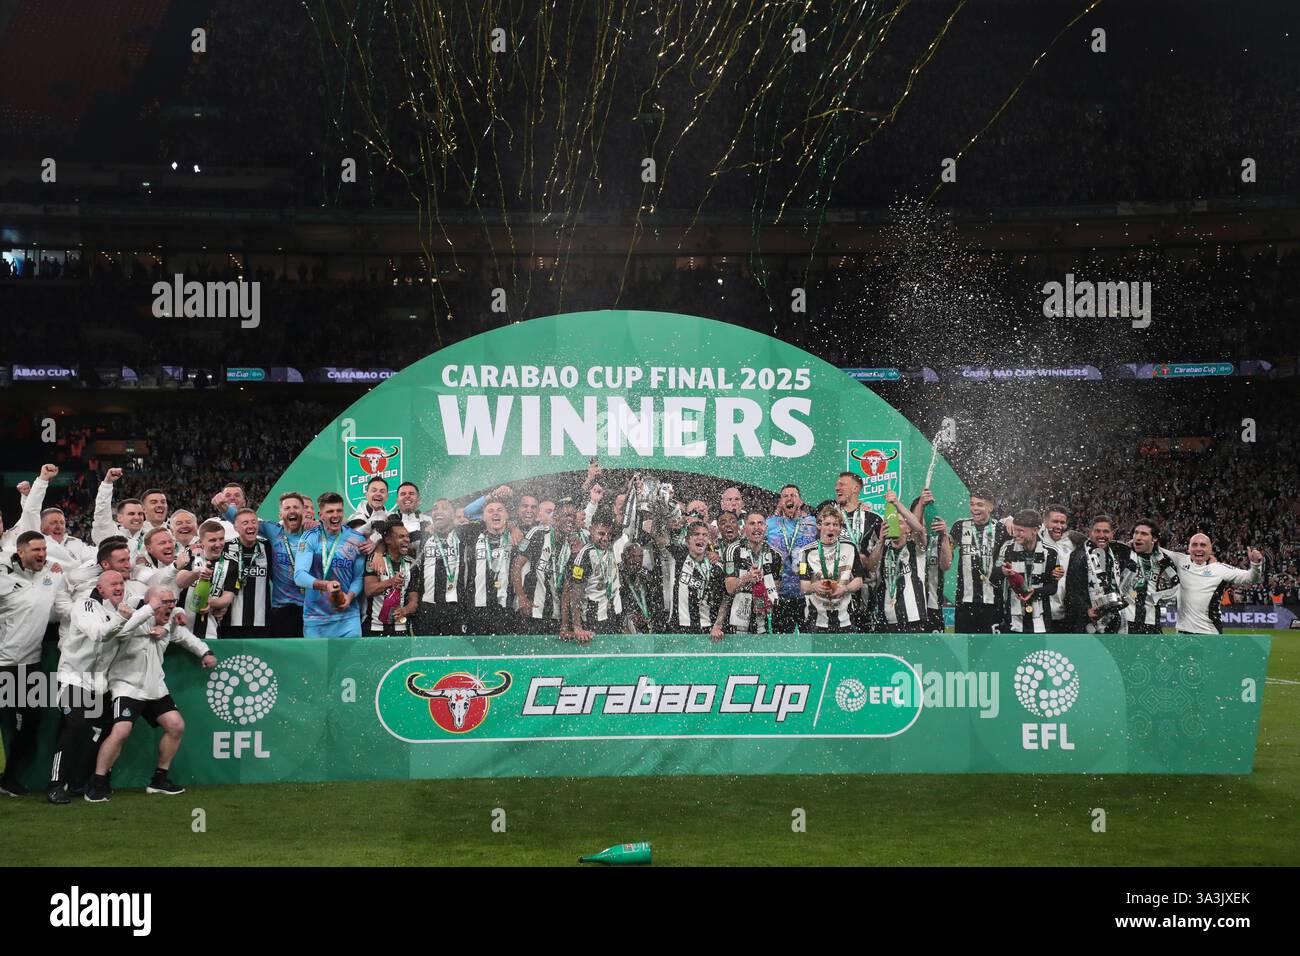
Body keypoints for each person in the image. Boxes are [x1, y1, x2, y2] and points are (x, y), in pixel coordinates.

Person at [85, 585, 216, 802]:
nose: (171, 606)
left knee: (176, 726)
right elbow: (124, 630)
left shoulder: (169, 624)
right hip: (127, 686)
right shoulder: (132, 619)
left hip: (155, 688)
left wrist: (205, 652)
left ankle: (159, 780)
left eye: (172, 602)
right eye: (165, 602)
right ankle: (98, 782)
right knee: (121, 731)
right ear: (150, 604)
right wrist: (152, 621)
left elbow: (186, 637)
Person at [46, 570, 156, 804]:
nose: (119, 587)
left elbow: (125, 631)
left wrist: (145, 613)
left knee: (101, 732)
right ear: (100, 588)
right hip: (73, 679)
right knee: (75, 724)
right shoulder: (85, 605)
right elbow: (99, 634)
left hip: (100, 684)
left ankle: (79, 782)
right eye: (113, 584)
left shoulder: (119, 609)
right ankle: (55, 784)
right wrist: (141, 612)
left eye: (121, 583)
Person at [0, 532, 62, 796]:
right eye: (36, 549)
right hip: (3, 664)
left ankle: (8, 778)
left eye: (44, 549)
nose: (42, 554)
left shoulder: (52, 576)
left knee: (30, 724)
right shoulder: (5, 580)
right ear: (20, 551)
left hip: (29, 665)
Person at [294, 492, 368, 637]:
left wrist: (350, 597)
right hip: (316, 619)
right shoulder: (310, 537)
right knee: (317, 661)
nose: (335, 515)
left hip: (348, 619)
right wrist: (325, 585)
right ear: (320, 515)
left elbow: (358, 578)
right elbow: (299, 576)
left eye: (339, 510)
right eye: (330, 511)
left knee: (351, 660)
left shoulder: (356, 538)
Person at [1160, 534, 1265, 634]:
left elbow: (1251, 578)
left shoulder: (1220, 569)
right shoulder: (1180, 560)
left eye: (1203, 545)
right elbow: (1155, 551)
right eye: (1194, 545)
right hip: (1182, 632)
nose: (1198, 548)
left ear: (1210, 549)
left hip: (1209, 632)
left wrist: (1256, 565)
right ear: (1189, 548)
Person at [949, 490, 1012, 633]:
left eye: (980, 505)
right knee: (965, 651)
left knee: (991, 649)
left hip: (992, 602)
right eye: (972, 504)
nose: (974, 509)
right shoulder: (959, 526)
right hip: (964, 601)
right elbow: (947, 554)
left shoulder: (1002, 530)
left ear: (990, 507)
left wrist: (1010, 519)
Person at [863, 492, 927, 632]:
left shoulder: (916, 549)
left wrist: (897, 504)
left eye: (900, 523)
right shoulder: (883, 548)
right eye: (891, 522)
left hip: (913, 616)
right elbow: (871, 567)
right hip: (887, 617)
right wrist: (880, 540)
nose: (895, 526)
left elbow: (920, 530)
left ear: (908, 528)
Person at [513, 500, 579, 634]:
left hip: (557, 616)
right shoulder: (538, 533)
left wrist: (565, 624)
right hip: (532, 610)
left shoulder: (574, 544)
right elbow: (516, 566)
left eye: (572, 516)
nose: (570, 519)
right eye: (566, 515)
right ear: (555, 517)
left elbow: (568, 587)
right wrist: (521, 598)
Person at [798, 505, 866, 632]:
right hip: (816, 621)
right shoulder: (805, 552)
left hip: (845, 619)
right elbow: (804, 586)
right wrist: (814, 586)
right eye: (827, 523)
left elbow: (859, 580)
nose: (831, 528)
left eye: (835, 524)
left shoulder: (850, 548)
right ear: (819, 526)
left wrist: (844, 588)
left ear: (841, 528)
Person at [990, 510, 1060, 634]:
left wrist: (1034, 593)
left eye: (1021, 530)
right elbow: (993, 576)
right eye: (1015, 529)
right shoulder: (1007, 548)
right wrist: (1002, 571)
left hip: (1041, 619)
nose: (1016, 534)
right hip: (1012, 619)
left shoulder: (1051, 552)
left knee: (1038, 653)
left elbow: (1052, 587)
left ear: (1035, 530)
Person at [1064, 515, 1135, 634]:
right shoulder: (1079, 556)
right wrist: (1086, 610)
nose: (1101, 535)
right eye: (1097, 531)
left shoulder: (1117, 553)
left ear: (1112, 534)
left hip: (1114, 618)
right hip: (1088, 621)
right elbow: (1072, 590)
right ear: (1090, 532)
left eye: (1106, 531)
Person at [717, 511, 784, 638]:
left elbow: (775, 592)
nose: (757, 527)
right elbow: (730, 588)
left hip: (763, 621)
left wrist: (761, 596)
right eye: (752, 523)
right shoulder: (733, 550)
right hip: (736, 620)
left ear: (766, 528)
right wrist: (747, 578)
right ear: (745, 528)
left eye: (760, 523)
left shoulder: (776, 555)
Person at [455, 498, 515, 634]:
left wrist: (514, 527)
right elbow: (466, 513)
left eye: (500, 510)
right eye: (490, 511)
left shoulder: (515, 538)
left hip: (506, 609)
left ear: (507, 515)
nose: (496, 514)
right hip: (476, 609)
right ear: (483, 517)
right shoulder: (472, 534)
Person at [563, 512, 624, 642]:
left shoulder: (610, 546)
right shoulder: (584, 556)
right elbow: (574, 595)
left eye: (609, 534)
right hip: (594, 619)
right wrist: (577, 627)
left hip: (613, 615)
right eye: (601, 534)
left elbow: (622, 522)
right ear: (591, 530)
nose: (605, 538)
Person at [175, 521, 239, 641]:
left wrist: (211, 604)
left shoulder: (232, 564)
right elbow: (180, 581)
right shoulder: (189, 557)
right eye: (213, 540)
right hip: (182, 627)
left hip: (210, 629)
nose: (218, 544)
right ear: (201, 542)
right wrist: (196, 574)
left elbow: (228, 597)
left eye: (221, 539)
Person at [766, 485, 818, 633]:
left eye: (793, 495)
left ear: (800, 501)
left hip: (807, 595)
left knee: (811, 641)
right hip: (779, 595)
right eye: (785, 496)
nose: (789, 498)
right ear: (781, 503)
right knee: (781, 645)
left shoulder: (813, 523)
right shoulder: (770, 524)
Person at [661, 521, 725, 635]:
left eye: (705, 535)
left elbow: (725, 598)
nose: (701, 537)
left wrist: (718, 625)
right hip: (677, 627)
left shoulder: (716, 566)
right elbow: (660, 539)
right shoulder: (678, 556)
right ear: (687, 539)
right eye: (696, 534)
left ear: (709, 540)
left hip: (707, 629)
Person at [220, 509, 273, 637]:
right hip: (230, 622)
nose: (250, 526)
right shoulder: (225, 548)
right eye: (245, 523)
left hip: (262, 622)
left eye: (253, 522)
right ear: (236, 527)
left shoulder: (268, 547)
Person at [362, 521, 421, 636]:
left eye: (407, 536)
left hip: (401, 629)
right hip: (374, 628)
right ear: (388, 540)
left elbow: (413, 601)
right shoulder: (375, 561)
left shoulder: (412, 565)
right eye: (401, 537)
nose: (407, 540)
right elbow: (369, 590)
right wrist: (391, 582)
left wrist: (405, 610)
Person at [415, 498, 463, 636]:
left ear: (454, 515)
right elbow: (394, 536)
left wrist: (513, 528)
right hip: (427, 608)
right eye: (435, 508)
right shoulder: (424, 535)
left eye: (444, 508)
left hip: (455, 607)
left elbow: (490, 524)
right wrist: (378, 550)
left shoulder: (464, 533)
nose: (438, 511)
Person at [1125, 519, 1180, 634]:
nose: (1138, 537)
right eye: (1136, 533)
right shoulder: (1124, 554)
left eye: (1144, 534)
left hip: (1151, 623)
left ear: (1154, 539)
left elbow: (1175, 588)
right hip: (1124, 620)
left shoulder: (1163, 561)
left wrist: (1155, 597)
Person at [913, 489, 951, 633]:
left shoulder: (941, 539)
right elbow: (914, 530)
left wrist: (944, 536)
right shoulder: (908, 540)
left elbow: (946, 565)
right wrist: (921, 505)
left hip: (933, 607)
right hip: (911, 608)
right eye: (921, 513)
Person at [1039, 505, 1081, 632]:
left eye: (1062, 522)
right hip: (1040, 611)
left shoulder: (1072, 543)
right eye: (1055, 521)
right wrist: (1008, 520)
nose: (1059, 526)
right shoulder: (1035, 539)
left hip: (1065, 612)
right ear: (1045, 522)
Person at [91, 468, 147, 557]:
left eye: (140, 514)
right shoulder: (111, 534)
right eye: (131, 514)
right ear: (119, 518)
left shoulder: (150, 535)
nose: (137, 517)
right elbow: (101, 512)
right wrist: (107, 483)